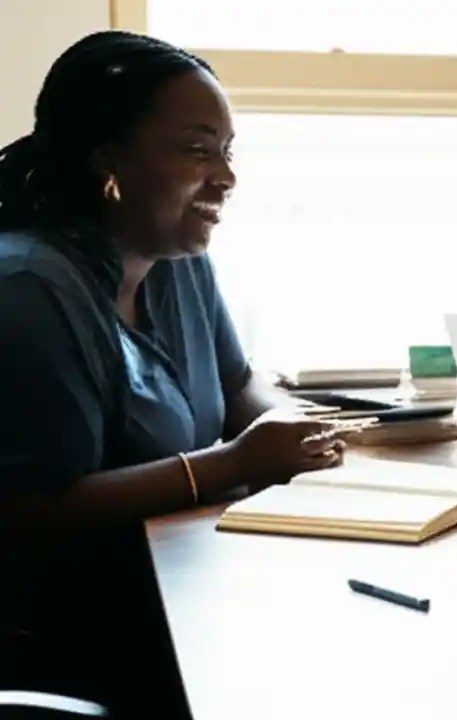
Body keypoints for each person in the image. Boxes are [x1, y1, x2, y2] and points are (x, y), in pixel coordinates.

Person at [0, 31, 344, 714]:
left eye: (228, 152)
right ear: (107, 158)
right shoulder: (27, 289)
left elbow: (239, 385)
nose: (226, 177)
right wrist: (231, 464)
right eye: (197, 150)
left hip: (184, 589)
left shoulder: (179, 262)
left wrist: (294, 431)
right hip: (72, 639)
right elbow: (29, 515)